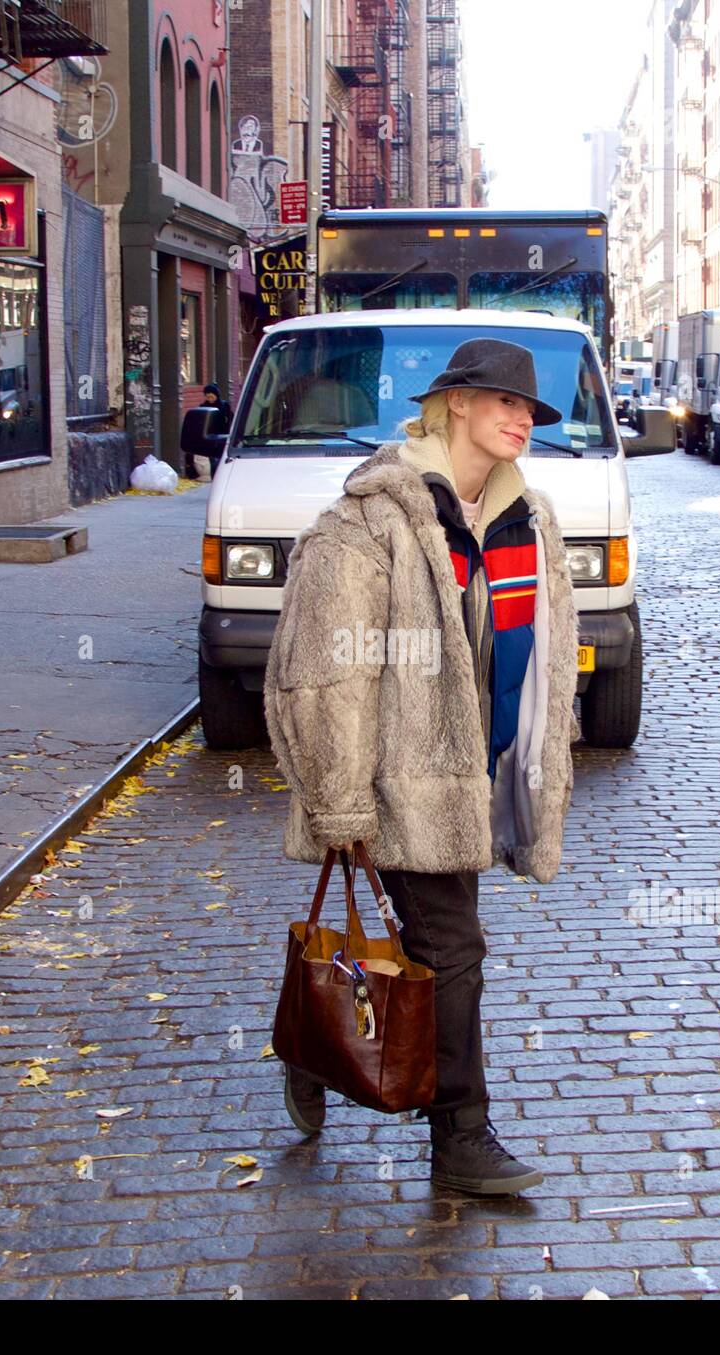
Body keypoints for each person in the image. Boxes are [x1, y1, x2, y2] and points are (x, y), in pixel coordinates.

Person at [263, 339, 580, 1196]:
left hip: (475, 774)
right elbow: (323, 673)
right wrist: (337, 801)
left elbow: (548, 656)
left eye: (530, 411)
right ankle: (460, 1137)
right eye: (504, 404)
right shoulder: (370, 521)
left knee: (422, 950)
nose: (521, 419)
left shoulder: (527, 520)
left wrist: (539, 760)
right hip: (392, 776)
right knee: (452, 946)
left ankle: (318, 1047)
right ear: (456, 407)